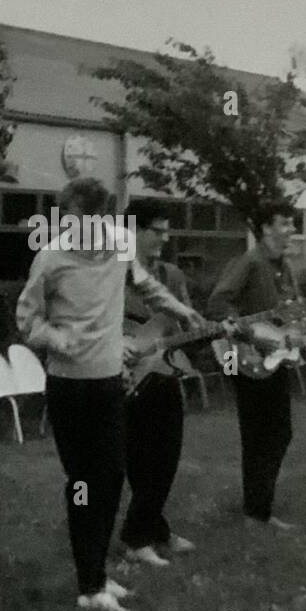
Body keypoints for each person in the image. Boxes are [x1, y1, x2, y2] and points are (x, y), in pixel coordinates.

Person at [16, 178, 204, 611]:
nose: (69, 226)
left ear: (102, 218)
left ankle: (97, 574)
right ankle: (89, 587)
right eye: (65, 219)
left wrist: (181, 310)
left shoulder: (120, 246)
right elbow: (27, 319)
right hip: (69, 387)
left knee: (111, 479)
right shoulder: (50, 258)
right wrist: (56, 338)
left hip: (109, 385)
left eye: (78, 219)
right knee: (83, 483)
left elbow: (146, 286)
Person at [206, 201, 306, 531]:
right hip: (250, 360)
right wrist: (250, 336)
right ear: (266, 228)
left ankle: (259, 507)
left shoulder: (284, 267)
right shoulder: (249, 262)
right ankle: (257, 512)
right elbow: (217, 304)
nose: (291, 230)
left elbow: (296, 312)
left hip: (277, 360)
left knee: (279, 433)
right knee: (259, 436)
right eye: (285, 224)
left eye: (292, 224)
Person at [119, 199, 197, 567]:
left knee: (166, 459)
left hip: (166, 372)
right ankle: (140, 538)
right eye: (157, 231)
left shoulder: (172, 276)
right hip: (126, 378)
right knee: (139, 461)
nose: (164, 239)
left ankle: (153, 530)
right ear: (132, 230)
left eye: (167, 231)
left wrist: (208, 331)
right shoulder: (113, 273)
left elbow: (186, 328)